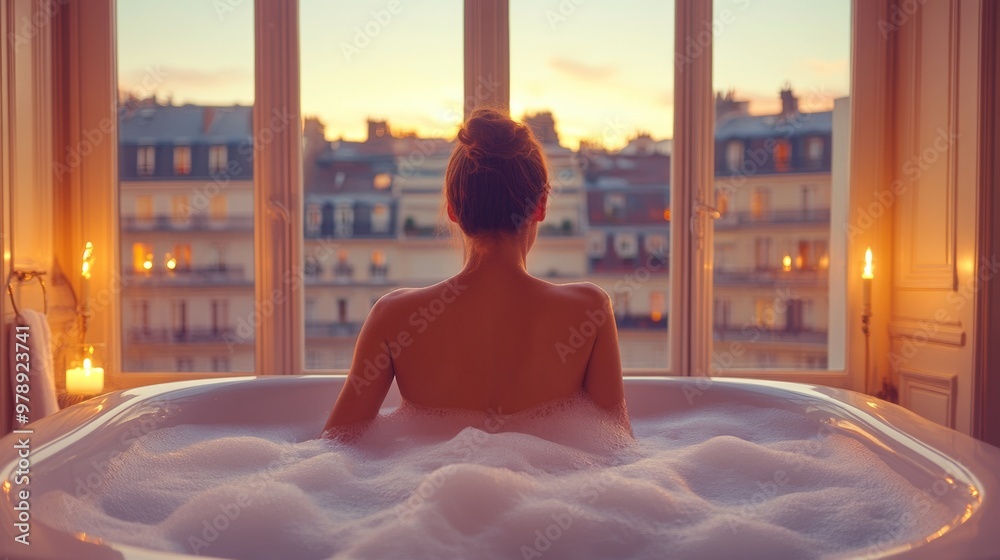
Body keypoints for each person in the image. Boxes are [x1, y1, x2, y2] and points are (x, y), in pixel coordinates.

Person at [322, 107, 628, 438]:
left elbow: (336, 450)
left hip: (429, 487)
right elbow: (616, 448)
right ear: (540, 206)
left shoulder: (393, 316)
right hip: (547, 486)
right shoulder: (589, 311)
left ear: (452, 209)